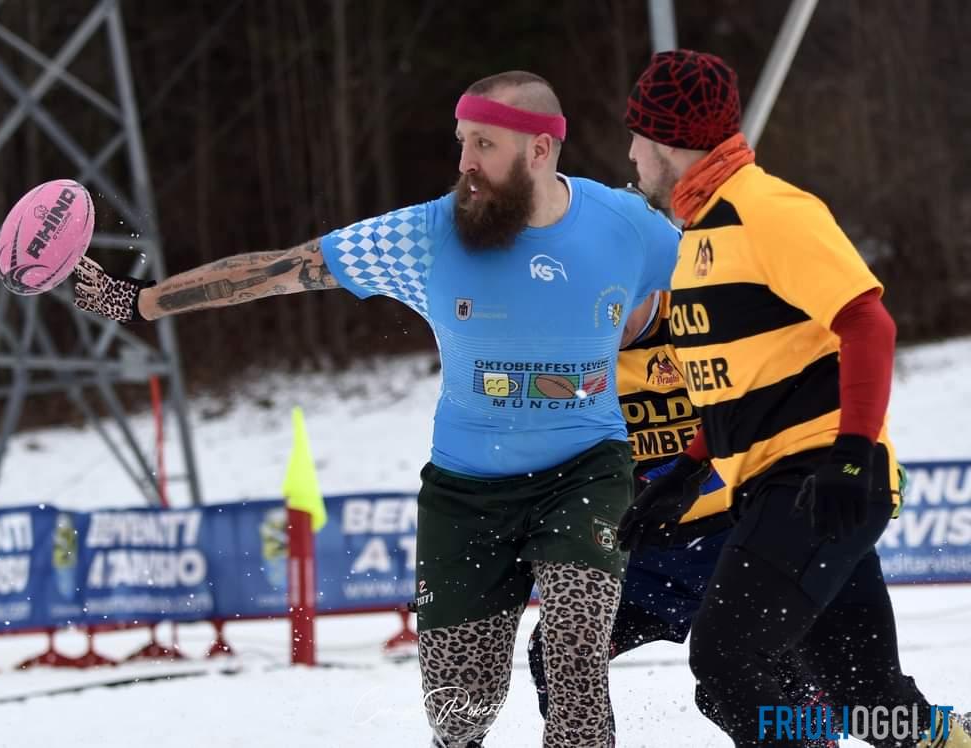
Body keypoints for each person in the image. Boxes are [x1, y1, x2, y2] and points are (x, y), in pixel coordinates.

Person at [71, 70, 679, 748]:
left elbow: (715, 282)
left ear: (540, 150)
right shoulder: (423, 237)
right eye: (461, 142)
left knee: (575, 668)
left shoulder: (631, 227)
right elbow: (283, 268)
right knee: (460, 712)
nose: (464, 163)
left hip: (586, 474)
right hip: (467, 493)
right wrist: (140, 301)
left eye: (484, 144)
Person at [618, 49, 971, 747]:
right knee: (865, 692)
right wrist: (687, 470)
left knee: (725, 658)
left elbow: (867, 322)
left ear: (664, 139)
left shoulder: (767, 208)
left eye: (635, 135)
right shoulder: (701, 236)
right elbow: (737, 383)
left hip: (820, 480)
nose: (628, 153)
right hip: (780, 487)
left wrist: (849, 456)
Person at [527, 290, 837, 748]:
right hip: (642, 560)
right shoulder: (573, 347)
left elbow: (763, 409)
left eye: (617, 304)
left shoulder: (704, 316)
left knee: (749, 680)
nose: (606, 321)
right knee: (559, 650)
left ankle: (821, 740)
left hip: (736, 540)